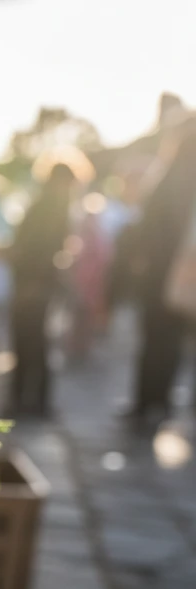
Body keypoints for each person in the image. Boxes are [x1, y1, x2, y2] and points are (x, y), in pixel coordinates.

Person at [128, 124, 196, 419]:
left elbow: (146, 229)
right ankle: (160, 402)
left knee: (154, 340)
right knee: (171, 343)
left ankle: (148, 402)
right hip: (179, 275)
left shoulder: (168, 180)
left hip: (159, 276)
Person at [8, 162, 76, 415]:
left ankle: (29, 400)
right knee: (35, 343)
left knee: (30, 342)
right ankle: (33, 400)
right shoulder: (54, 207)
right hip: (38, 284)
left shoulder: (49, 206)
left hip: (33, 285)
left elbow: (37, 249)